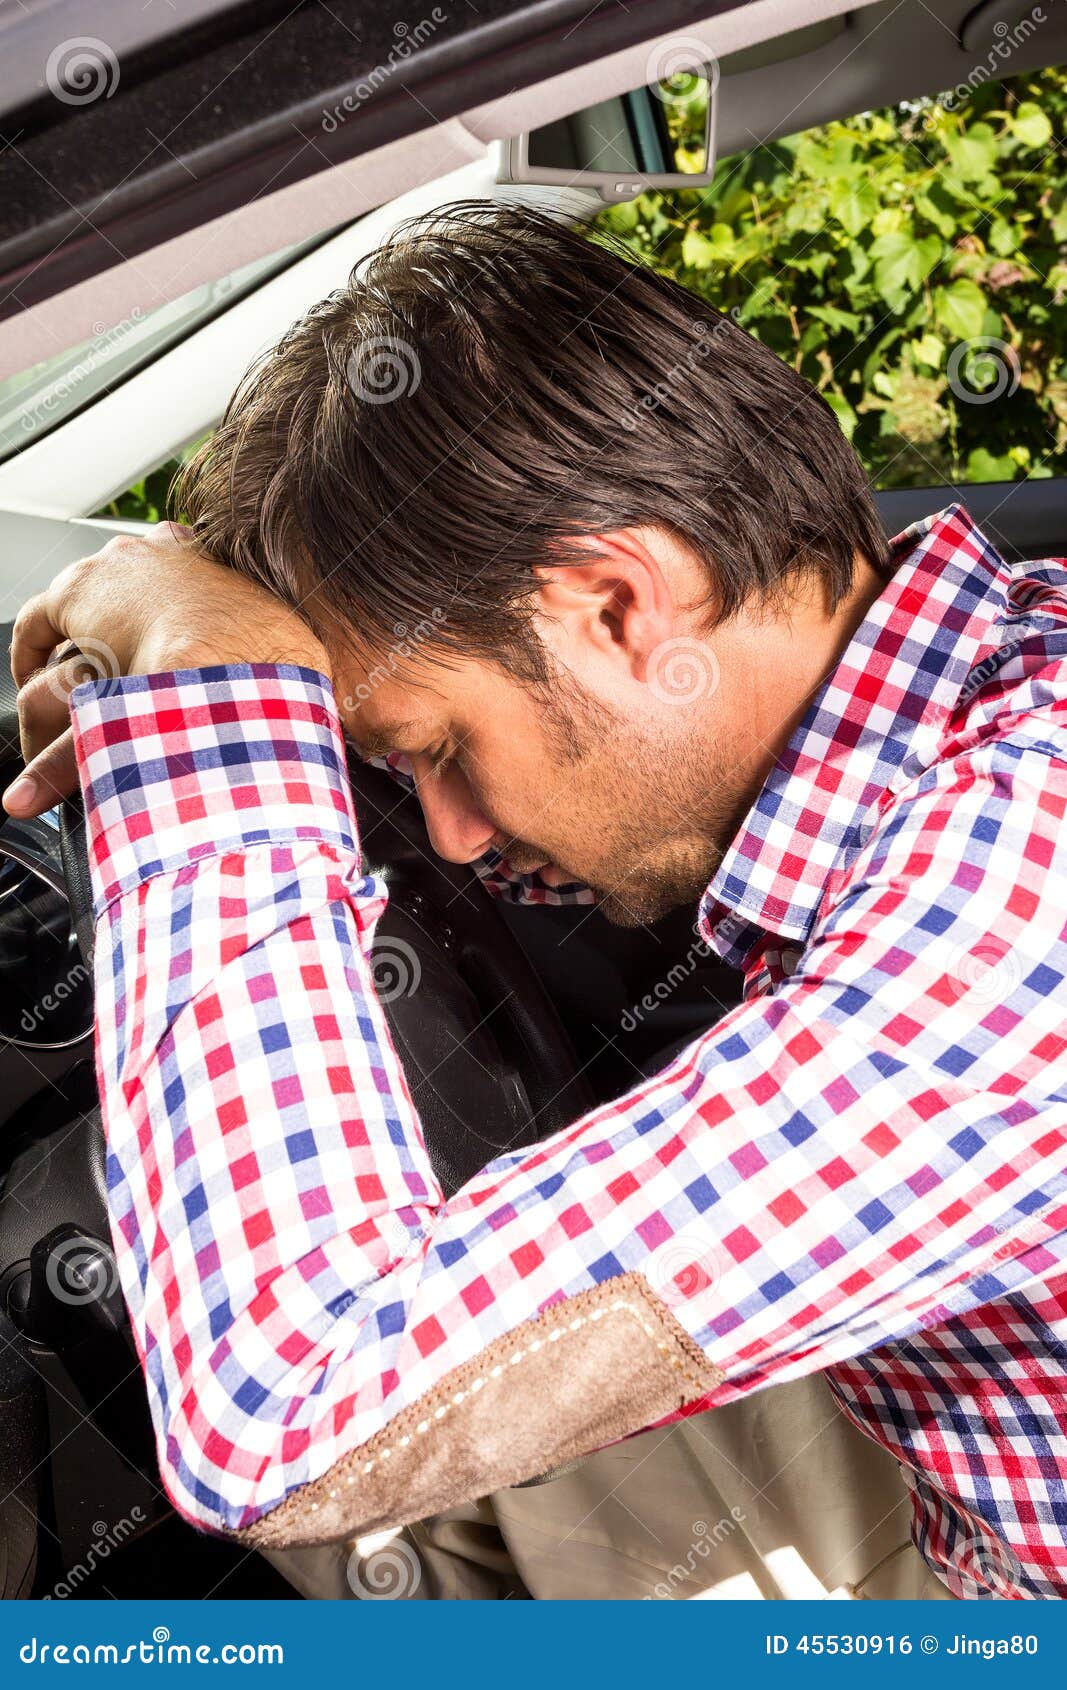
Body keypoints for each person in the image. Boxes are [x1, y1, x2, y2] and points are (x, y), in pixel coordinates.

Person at [5, 204, 1066, 1601]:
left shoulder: (1004, 906)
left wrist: (219, 715)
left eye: (439, 749)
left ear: (623, 604)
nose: (446, 830)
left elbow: (297, 1410)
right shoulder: (983, 688)